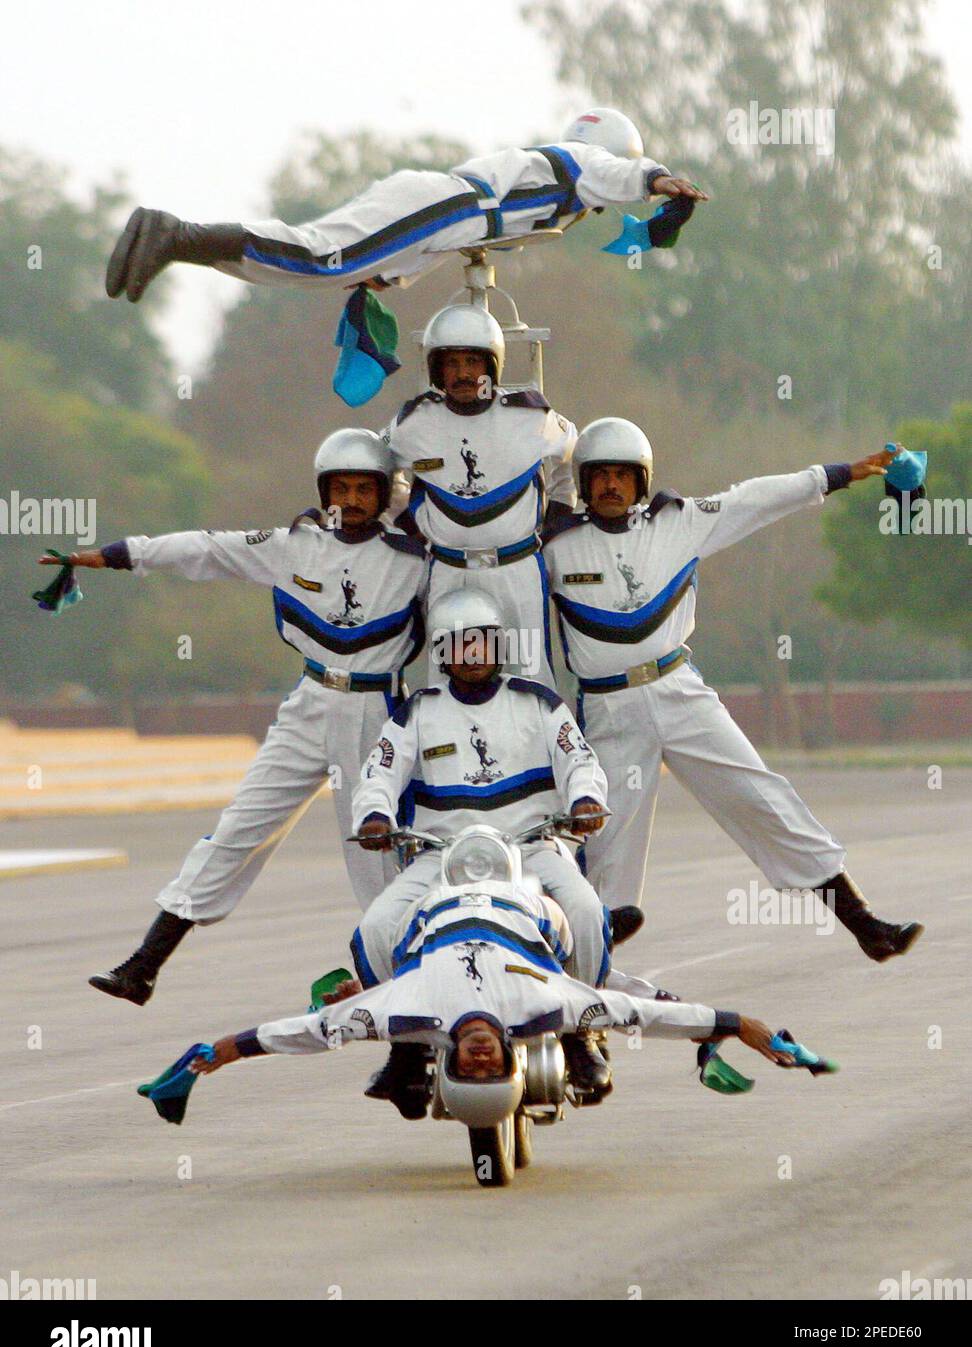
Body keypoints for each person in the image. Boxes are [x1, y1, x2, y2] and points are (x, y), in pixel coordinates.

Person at [41, 429, 428, 1005]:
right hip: (308, 703)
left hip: (376, 712)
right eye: (339, 487)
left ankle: (414, 995)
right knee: (237, 829)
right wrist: (117, 555)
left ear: (385, 492)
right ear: (324, 489)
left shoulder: (416, 558)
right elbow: (206, 548)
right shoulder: (294, 544)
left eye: (362, 488)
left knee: (375, 856)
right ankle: (143, 965)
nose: (350, 499)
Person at [542, 418, 925, 962]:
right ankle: (584, 994)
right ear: (583, 482)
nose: (609, 485)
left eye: (621, 476)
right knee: (604, 838)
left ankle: (865, 923)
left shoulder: (679, 522)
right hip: (607, 708)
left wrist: (839, 474)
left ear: (640, 480)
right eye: (597, 475)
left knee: (760, 796)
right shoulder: (556, 548)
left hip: (678, 690)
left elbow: (754, 499)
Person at [186, 877, 796, 1131]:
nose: (480, 1061)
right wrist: (739, 1024)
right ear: (508, 1058)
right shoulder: (544, 1006)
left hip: (440, 899)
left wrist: (222, 1051)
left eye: (468, 1069)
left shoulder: (406, 1012)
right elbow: (652, 1016)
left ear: (448, 1061)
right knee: (585, 931)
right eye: (493, 1069)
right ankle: (590, 1016)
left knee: (371, 941)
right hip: (528, 909)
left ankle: (401, 1061)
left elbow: (308, 1032)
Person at [349, 585, 622, 1098]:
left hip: (533, 846)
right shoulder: (418, 711)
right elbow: (379, 772)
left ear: (500, 646)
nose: (472, 654)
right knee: (376, 929)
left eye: (482, 642)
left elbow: (579, 759)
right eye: (459, 644)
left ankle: (581, 1032)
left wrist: (585, 800)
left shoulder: (539, 702)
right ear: (442, 654)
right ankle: (406, 1048)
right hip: (442, 852)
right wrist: (375, 815)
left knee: (585, 910)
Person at [104, 108, 706, 303]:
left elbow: (461, 243)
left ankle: (174, 248)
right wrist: (660, 180)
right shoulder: (578, 163)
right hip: (444, 203)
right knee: (324, 255)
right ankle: (172, 232)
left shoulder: (560, 184)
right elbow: (621, 173)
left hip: (440, 217)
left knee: (321, 269)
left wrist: (392, 274)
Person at [382, 302, 577, 684]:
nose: (462, 373)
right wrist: (408, 520)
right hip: (448, 572)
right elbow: (381, 468)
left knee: (529, 680)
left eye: (472, 362)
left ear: (491, 364)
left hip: (516, 569)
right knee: (446, 683)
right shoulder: (415, 423)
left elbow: (573, 454)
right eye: (451, 364)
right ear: (437, 369)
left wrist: (560, 507)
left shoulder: (528, 417)